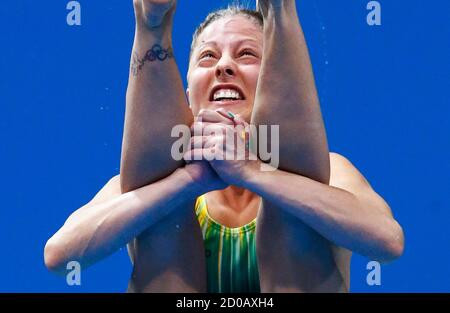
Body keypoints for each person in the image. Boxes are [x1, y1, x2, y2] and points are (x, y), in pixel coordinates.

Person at [44, 0, 404, 293]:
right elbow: (60, 255)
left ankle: (279, 10)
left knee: (299, 192)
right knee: (157, 204)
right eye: (207, 58)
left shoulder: (330, 168)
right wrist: (189, 182)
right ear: (185, 95)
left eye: (246, 55)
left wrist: (253, 173)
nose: (224, 67)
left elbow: (387, 242)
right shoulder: (151, 180)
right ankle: (151, 26)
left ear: (277, 80)